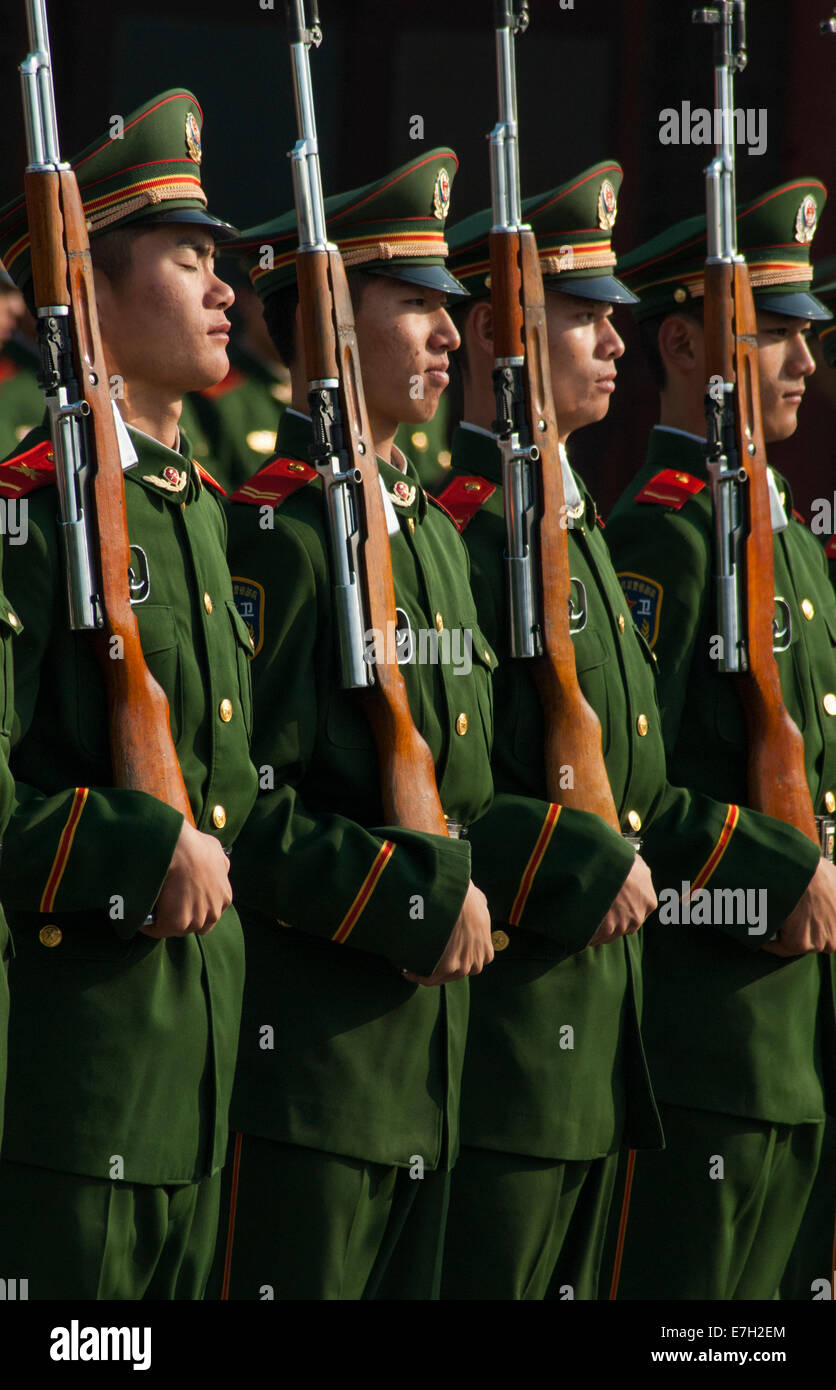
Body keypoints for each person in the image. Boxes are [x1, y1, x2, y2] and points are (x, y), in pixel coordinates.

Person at [210, 148, 622, 1301]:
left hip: (432, 1076)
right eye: (417, 307)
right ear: (331, 323)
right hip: (314, 1073)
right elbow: (243, 804)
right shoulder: (281, 540)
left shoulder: (435, 537)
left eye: (454, 310)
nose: (453, 336)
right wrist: (408, 897)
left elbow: (469, 794)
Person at [432, 160, 824, 1301]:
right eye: (584, 315)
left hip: (682, 1042)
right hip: (619, 1029)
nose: (612, 338)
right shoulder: (634, 535)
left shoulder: (611, 535)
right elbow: (614, 803)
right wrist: (770, 871)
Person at [0, 89, 257, 1300]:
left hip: (198, 1088)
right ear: (88, 284)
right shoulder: (26, 502)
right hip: (80, 1084)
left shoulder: (196, 509)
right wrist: (129, 849)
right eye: (189, 259)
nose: (225, 294)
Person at [605, 178, 836, 1300]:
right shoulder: (666, 530)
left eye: (808, 338)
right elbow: (628, 792)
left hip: (798, 1044)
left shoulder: (786, 538)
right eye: (777, 334)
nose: (803, 364)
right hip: (707, 1036)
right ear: (685, 341)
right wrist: (776, 872)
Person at [179, 273, 291, 494]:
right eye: (288, 298)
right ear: (248, 300)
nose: (303, 314)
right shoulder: (210, 392)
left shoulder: (343, 396)